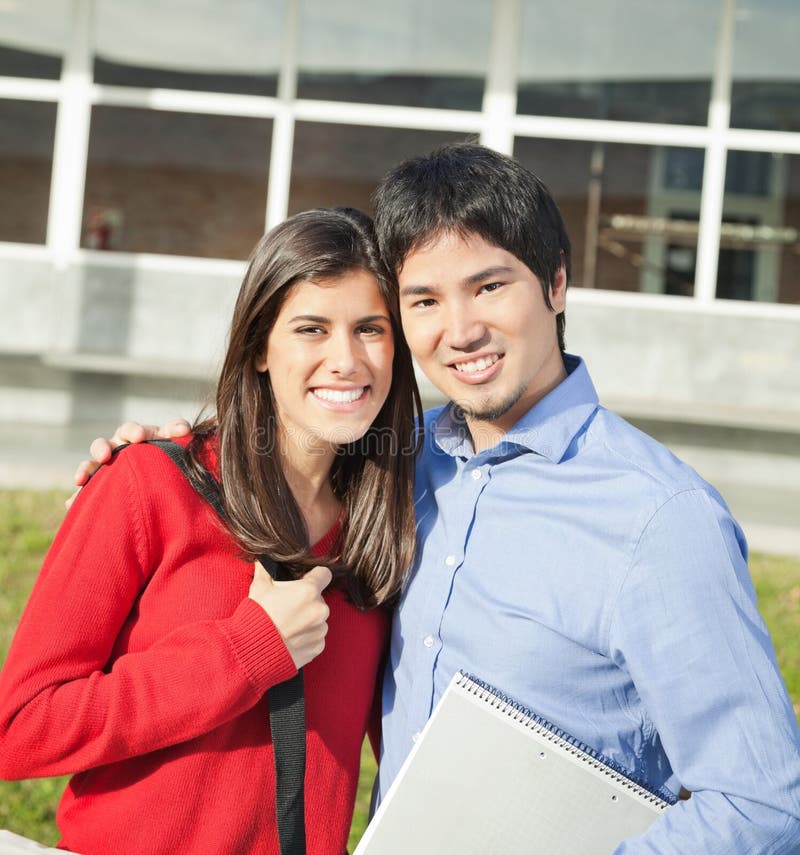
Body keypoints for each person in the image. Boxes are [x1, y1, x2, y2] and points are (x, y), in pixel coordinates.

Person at [68, 144, 800, 852]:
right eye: (424, 300)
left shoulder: (659, 519)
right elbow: (284, 432)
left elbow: (762, 805)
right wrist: (165, 455)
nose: (461, 331)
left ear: (555, 284)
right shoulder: (395, 465)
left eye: (489, 287)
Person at [0, 207, 422, 855]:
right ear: (258, 347)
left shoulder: (388, 526)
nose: (345, 359)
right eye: (311, 328)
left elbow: (407, 748)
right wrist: (245, 651)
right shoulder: (149, 482)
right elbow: (21, 728)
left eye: (370, 329)